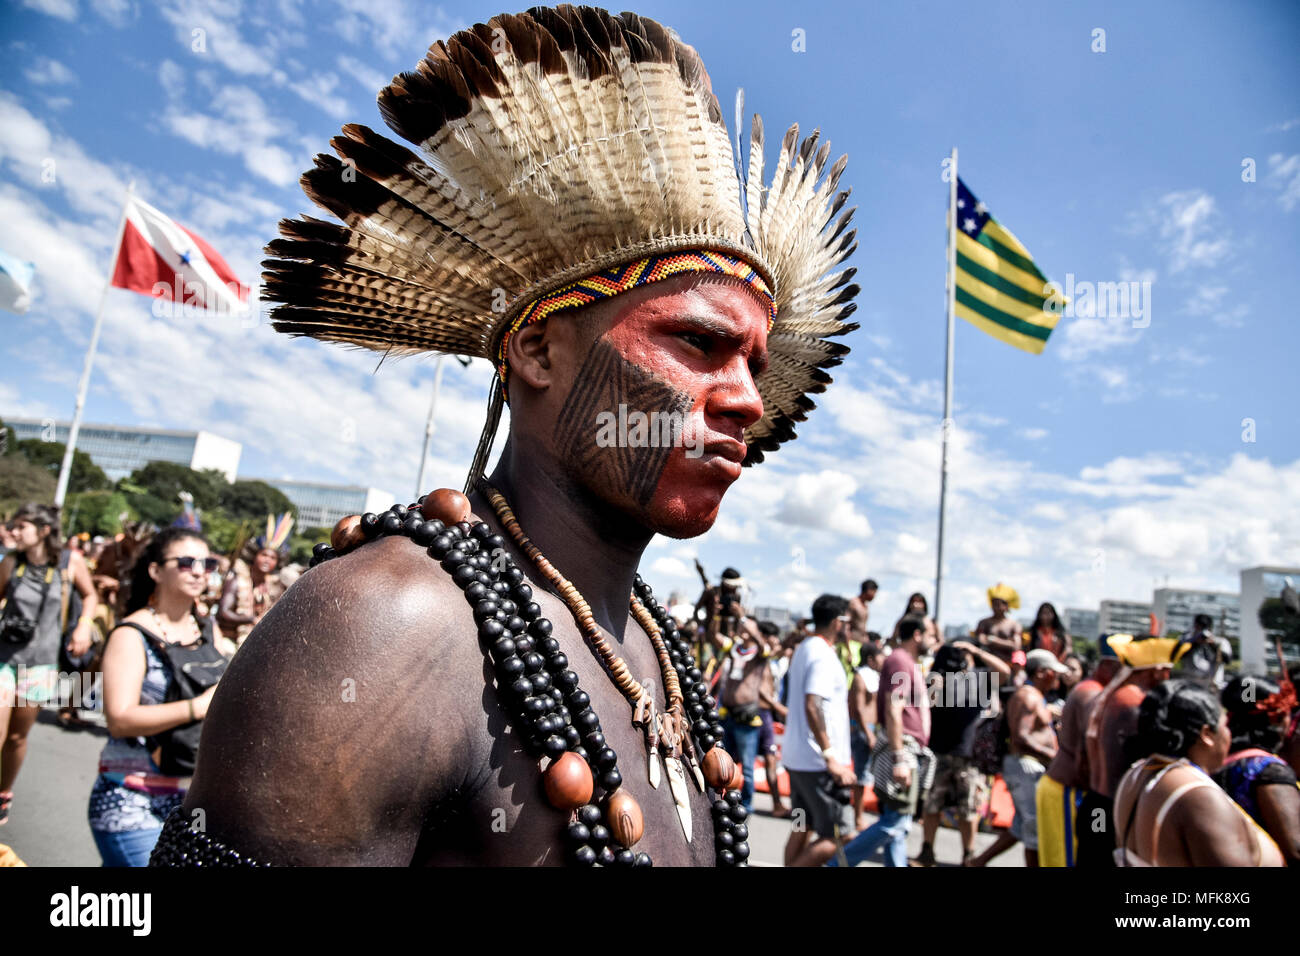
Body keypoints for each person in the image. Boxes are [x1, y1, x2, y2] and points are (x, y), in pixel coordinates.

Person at [150, 6, 858, 868]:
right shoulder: (385, 627)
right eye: (698, 343)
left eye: (755, 361)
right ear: (537, 349)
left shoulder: (656, 649)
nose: (746, 397)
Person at [89, 527, 225, 865]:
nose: (198, 570)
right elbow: (120, 720)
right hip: (131, 799)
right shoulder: (131, 634)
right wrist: (198, 706)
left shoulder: (209, 629)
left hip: (192, 805)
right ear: (155, 571)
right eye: (185, 562)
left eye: (207, 563)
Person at [1113, 680, 1283, 866]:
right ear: (1206, 734)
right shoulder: (1198, 796)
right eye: (1225, 725)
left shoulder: (1136, 773)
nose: (1229, 734)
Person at [0, 503, 97, 825]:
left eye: (20, 526)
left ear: (43, 531)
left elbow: (91, 595)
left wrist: (84, 624)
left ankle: (4, 792)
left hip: (41, 664)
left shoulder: (71, 563)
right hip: (5, 659)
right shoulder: (12, 562)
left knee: (17, 737)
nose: (12, 532)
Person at [832, 615, 933, 867]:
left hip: (905, 748)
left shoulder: (906, 661)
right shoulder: (900, 660)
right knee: (897, 820)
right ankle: (838, 863)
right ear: (917, 635)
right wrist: (899, 757)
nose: (935, 640)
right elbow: (893, 709)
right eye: (931, 634)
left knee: (898, 824)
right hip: (901, 749)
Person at [1080, 633, 1183, 867]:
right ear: (1156, 670)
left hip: (1097, 804)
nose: (1168, 677)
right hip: (1109, 810)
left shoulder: (1111, 694)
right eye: (1167, 670)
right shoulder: (1133, 703)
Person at [917, 638, 1010, 866]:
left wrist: (976, 650)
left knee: (969, 809)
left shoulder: (980, 678)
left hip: (969, 756)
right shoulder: (936, 678)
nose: (959, 658)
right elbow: (924, 702)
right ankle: (927, 851)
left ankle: (968, 855)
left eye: (962, 654)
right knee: (932, 806)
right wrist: (940, 663)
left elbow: (1005, 671)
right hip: (938, 752)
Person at [781, 596, 856, 867]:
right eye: (848, 621)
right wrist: (830, 757)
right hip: (818, 763)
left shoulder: (806, 647)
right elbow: (813, 704)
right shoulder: (822, 653)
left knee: (802, 825)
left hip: (798, 758)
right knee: (842, 834)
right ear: (838, 622)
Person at [974, 649, 1066, 867]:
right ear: (1043, 673)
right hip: (1024, 766)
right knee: (1034, 829)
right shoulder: (1026, 696)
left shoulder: (1034, 696)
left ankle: (977, 862)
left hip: (1028, 766)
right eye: (1054, 672)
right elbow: (1021, 736)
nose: (1058, 678)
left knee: (1021, 826)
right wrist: (1052, 756)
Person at [1037, 635, 1121, 867]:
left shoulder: (1096, 691)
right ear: (1107, 666)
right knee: (1068, 861)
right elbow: (1093, 745)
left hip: (1076, 792)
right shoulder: (1091, 693)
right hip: (1068, 791)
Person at [1210, 676, 1300, 865]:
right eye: (1286, 713)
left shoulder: (1217, 762)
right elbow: (1295, 850)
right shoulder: (1269, 771)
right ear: (1276, 718)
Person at [717, 615, 770, 811]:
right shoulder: (734, 649)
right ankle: (723, 800)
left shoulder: (759, 655)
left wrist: (744, 618)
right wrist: (717, 612)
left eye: (749, 626)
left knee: (747, 768)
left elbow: (764, 647)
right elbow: (715, 636)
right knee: (724, 763)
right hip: (727, 715)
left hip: (747, 719)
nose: (744, 628)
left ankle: (746, 805)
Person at [218, 514, 292, 649]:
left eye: (272, 558)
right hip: (228, 640)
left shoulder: (274, 585)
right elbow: (223, 612)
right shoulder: (236, 579)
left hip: (256, 642)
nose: (267, 560)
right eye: (264, 555)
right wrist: (251, 619)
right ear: (254, 555)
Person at [755, 621, 790, 818]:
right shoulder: (758, 657)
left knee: (770, 758)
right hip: (759, 713)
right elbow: (759, 687)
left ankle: (777, 803)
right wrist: (778, 707)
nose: (777, 642)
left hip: (765, 714)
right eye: (774, 638)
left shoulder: (767, 658)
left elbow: (782, 649)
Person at [848, 639, 883, 831]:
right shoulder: (861, 677)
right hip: (863, 730)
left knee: (867, 775)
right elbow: (859, 709)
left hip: (871, 729)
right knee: (860, 777)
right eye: (879, 656)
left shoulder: (874, 677)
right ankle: (858, 817)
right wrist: (868, 733)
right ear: (870, 659)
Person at [1174, 613, 1233, 688]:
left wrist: (1213, 645)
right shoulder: (1187, 640)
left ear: (1210, 629)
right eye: (1199, 627)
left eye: (1204, 628)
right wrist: (1195, 644)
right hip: (1190, 684)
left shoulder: (1221, 642)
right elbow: (1176, 657)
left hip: (1213, 685)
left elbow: (1227, 660)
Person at [975, 583, 1023, 664]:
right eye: (994, 604)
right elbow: (981, 640)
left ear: (1006, 607)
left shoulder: (1014, 624)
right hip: (988, 663)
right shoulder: (984, 622)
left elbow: (1016, 646)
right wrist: (1007, 642)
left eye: (998, 604)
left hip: (1008, 664)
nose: (995, 607)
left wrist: (994, 640)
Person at [846, 579, 877, 643]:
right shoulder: (854, 603)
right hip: (851, 641)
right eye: (874, 592)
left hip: (862, 642)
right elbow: (846, 624)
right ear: (869, 590)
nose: (875, 596)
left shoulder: (865, 606)